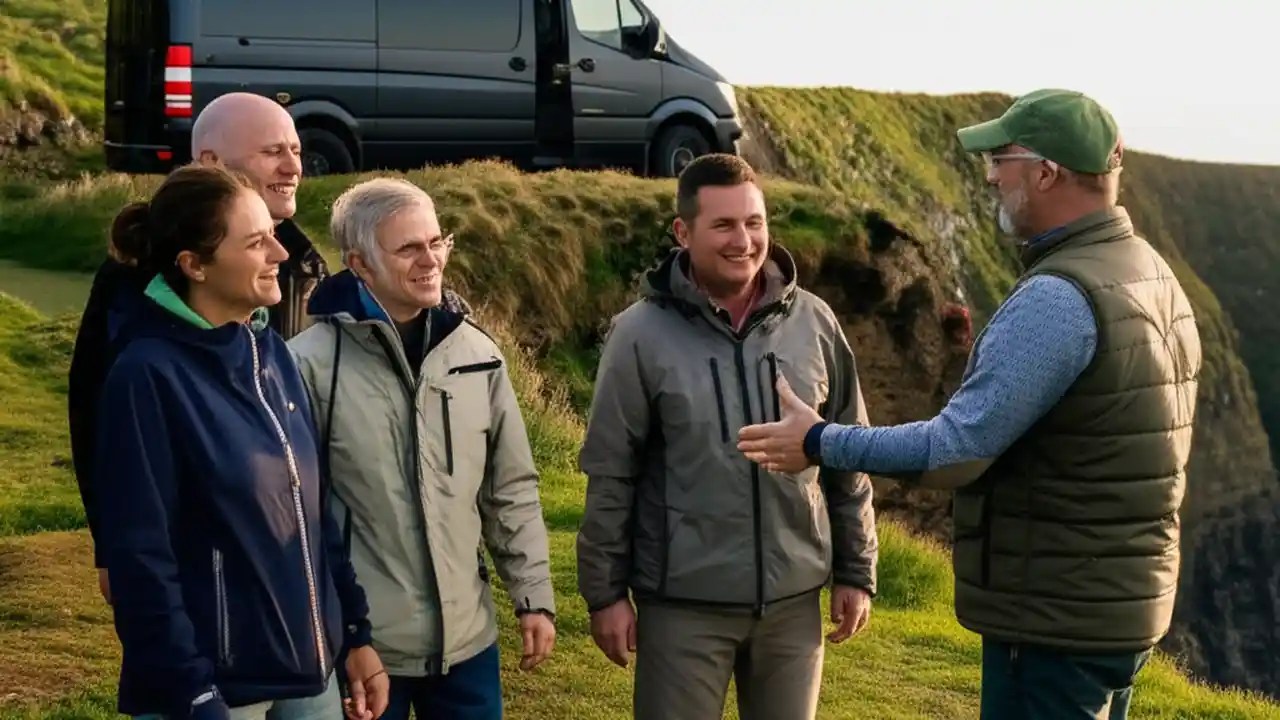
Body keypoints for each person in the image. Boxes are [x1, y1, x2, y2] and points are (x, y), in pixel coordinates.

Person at [736, 89, 1202, 719]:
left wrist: (819, 440)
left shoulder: (1059, 299)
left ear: (1046, 173)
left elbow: (953, 450)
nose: (988, 175)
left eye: (1001, 158)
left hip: (1053, 621)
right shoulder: (1152, 272)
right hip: (1119, 608)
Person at [576, 153, 879, 720]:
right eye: (723, 225)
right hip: (682, 607)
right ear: (683, 232)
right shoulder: (638, 335)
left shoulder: (815, 321)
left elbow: (848, 456)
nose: (743, 240)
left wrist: (856, 572)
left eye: (754, 222)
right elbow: (610, 472)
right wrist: (606, 594)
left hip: (794, 607)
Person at [91, 163, 390, 720]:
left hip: (310, 675)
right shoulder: (146, 375)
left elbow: (312, 509)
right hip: (215, 691)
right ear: (194, 265)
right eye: (256, 242)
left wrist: (353, 634)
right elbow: (140, 560)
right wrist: (193, 693)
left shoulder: (271, 352)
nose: (280, 254)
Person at [288, 176, 557, 720]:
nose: (430, 259)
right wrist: (348, 634)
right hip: (363, 650)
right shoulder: (305, 366)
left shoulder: (479, 355)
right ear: (359, 264)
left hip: (468, 647)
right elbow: (299, 518)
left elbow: (510, 489)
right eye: (409, 247)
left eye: (437, 242)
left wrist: (533, 596)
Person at [68, 91, 329, 604]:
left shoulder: (304, 262)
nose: (293, 166)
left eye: (296, 150)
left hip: (291, 541)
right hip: (198, 553)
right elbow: (98, 412)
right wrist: (109, 544)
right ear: (209, 160)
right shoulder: (135, 276)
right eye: (272, 151)